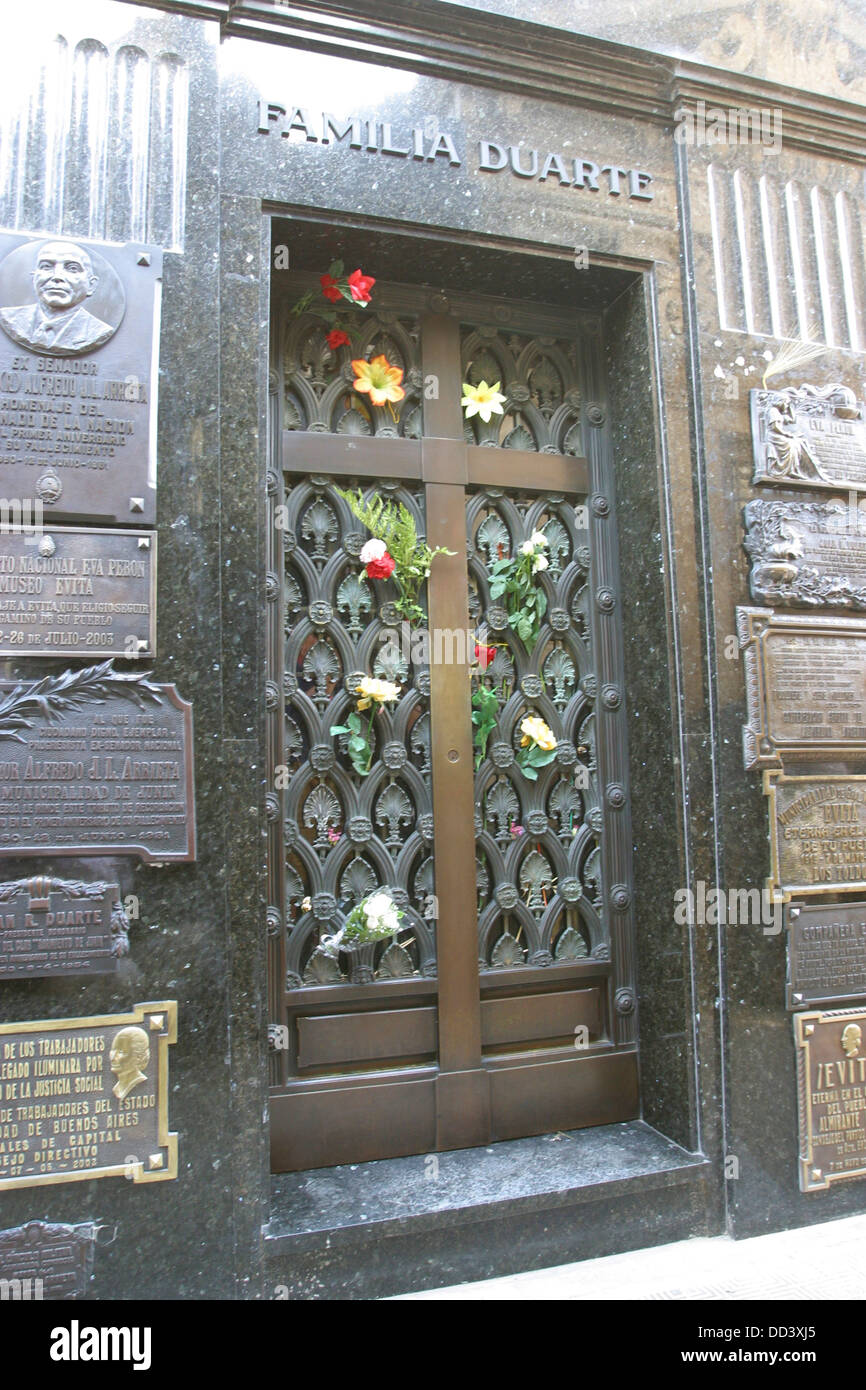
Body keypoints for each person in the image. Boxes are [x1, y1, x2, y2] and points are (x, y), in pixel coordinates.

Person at [0, 240, 115, 355]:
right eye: (46, 266)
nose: (57, 276)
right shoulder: (9, 318)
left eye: (72, 268)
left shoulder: (99, 331)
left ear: (91, 285)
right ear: (33, 278)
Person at [109, 1026, 150, 1101]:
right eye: (113, 1050)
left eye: (121, 1052)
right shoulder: (117, 1088)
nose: (113, 1058)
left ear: (138, 1057)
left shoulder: (140, 1083)